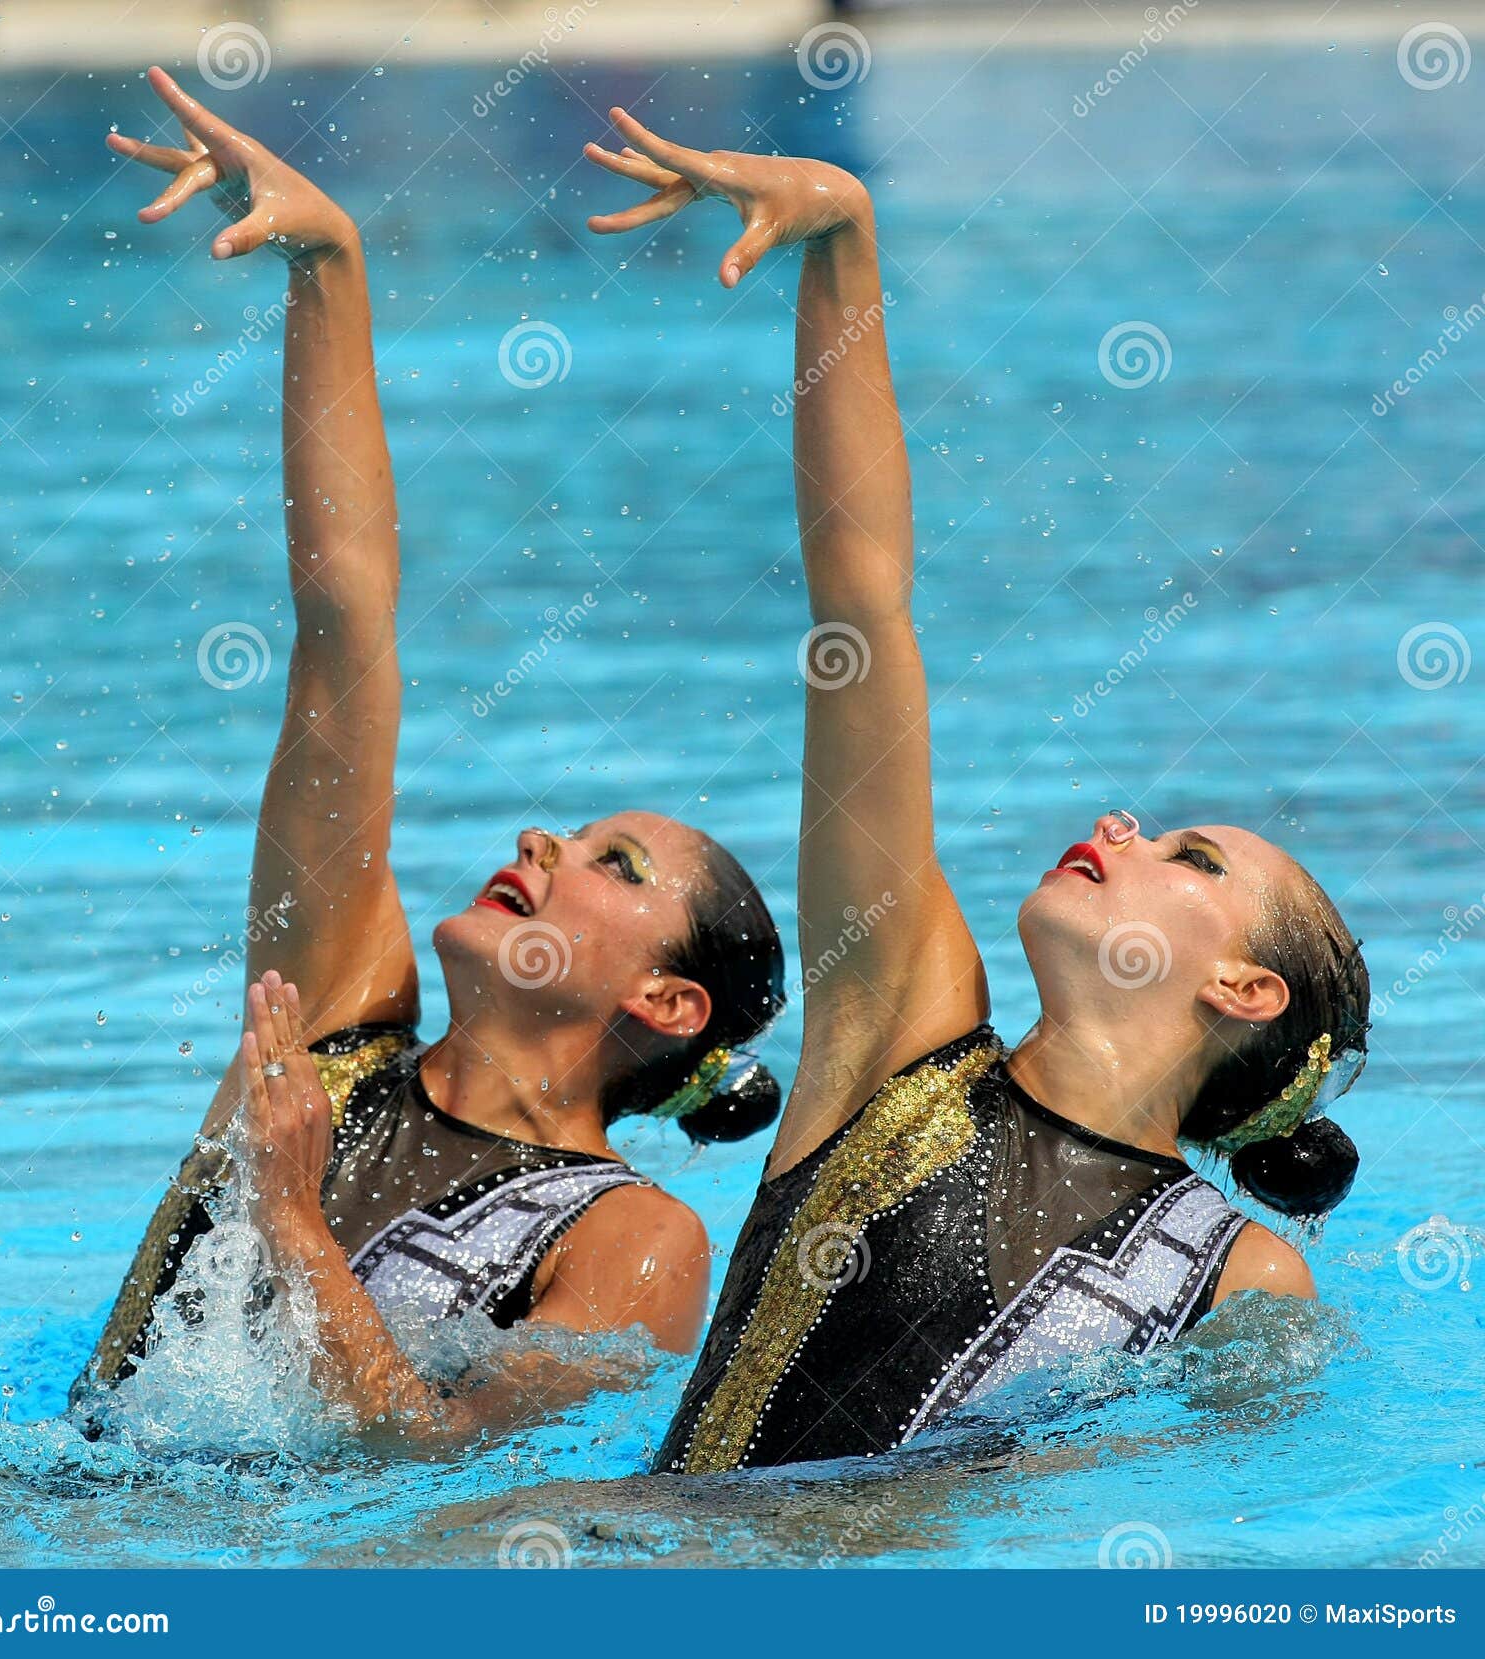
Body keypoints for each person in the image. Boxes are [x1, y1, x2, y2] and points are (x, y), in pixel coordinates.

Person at [571, 109, 1372, 1474]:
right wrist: (843, 243)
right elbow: (863, 604)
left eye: (1189, 856)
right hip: (641, 1562)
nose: (1121, 827)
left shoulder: (1240, 1283)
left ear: (1245, 991)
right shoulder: (898, 1034)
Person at [71, 73, 785, 1436]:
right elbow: (345, 628)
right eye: (568, 835)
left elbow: (427, 1465)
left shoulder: (637, 1240)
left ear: (670, 1003)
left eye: (607, 864)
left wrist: (287, 1213)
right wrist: (327, 264)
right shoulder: (333, 1015)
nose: (538, 844)